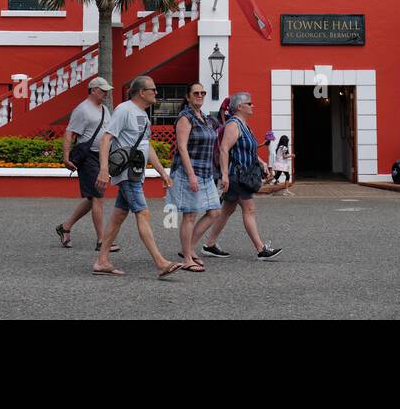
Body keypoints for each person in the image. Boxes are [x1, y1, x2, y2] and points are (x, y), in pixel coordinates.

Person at [92, 75, 182, 278]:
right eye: (153, 89)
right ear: (141, 92)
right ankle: (160, 262)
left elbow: (146, 146)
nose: (156, 93)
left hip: (136, 171)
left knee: (118, 215)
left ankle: (102, 261)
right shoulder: (124, 110)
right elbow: (107, 139)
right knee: (143, 213)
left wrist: (162, 172)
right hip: (126, 173)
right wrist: (104, 169)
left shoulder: (142, 113)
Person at [201, 92, 282, 260]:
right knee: (249, 209)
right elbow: (224, 149)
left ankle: (209, 245)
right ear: (239, 107)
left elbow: (249, 149)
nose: (253, 106)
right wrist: (224, 174)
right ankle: (261, 249)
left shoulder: (244, 125)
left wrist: (261, 163)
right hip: (236, 175)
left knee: (227, 210)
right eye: (249, 103)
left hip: (240, 174)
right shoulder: (233, 125)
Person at [55, 77, 120, 252]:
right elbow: (70, 133)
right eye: (103, 90)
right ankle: (102, 241)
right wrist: (66, 157)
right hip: (88, 157)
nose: (106, 93)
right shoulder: (82, 110)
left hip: (102, 156)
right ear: (93, 90)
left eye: (106, 90)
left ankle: (65, 227)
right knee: (98, 196)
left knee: (93, 197)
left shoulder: (105, 109)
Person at [170, 83, 220, 272]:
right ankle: (187, 259)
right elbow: (182, 147)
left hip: (206, 173)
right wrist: (191, 175)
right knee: (189, 215)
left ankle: (188, 249)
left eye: (203, 93)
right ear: (188, 97)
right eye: (196, 93)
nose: (200, 95)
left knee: (214, 211)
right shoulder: (185, 117)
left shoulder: (206, 119)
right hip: (188, 172)